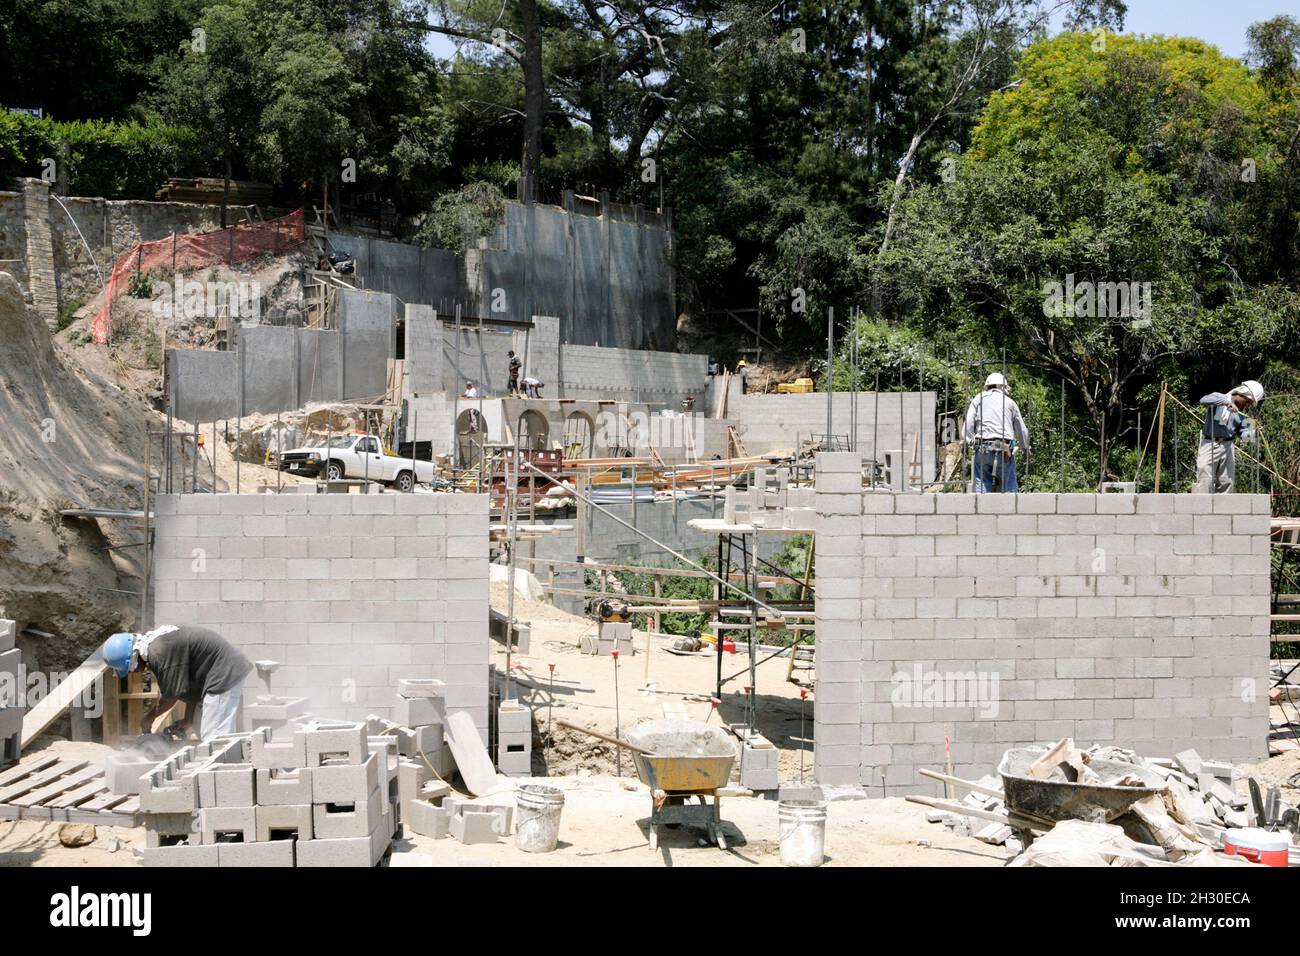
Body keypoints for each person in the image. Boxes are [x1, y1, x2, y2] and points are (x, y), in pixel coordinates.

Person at [102, 626, 252, 741]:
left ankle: (225, 776)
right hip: (215, 676)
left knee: (215, 737)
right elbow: (189, 688)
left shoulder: (159, 653)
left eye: (129, 670)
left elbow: (171, 696)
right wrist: (188, 719)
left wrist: (149, 717)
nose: (133, 673)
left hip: (223, 675)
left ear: (132, 660)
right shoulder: (157, 645)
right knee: (201, 728)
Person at [962, 372, 1030, 493]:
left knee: (982, 482)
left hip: (983, 447)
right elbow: (1021, 429)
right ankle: (1011, 510)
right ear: (1003, 387)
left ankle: (981, 510)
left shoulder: (978, 398)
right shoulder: (1010, 403)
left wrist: (968, 443)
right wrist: (1026, 449)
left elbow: (968, 423)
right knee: (1009, 483)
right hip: (1004, 448)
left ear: (987, 386)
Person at [1195, 381, 1263, 494]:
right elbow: (1204, 400)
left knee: (1226, 481)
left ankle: (1222, 510)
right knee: (1205, 478)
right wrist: (1227, 403)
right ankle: (1202, 509)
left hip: (1228, 446)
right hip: (1209, 443)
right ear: (1241, 394)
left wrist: (1255, 432)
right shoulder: (1220, 397)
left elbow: (1245, 437)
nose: (1246, 405)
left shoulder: (1244, 414)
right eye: (1247, 402)